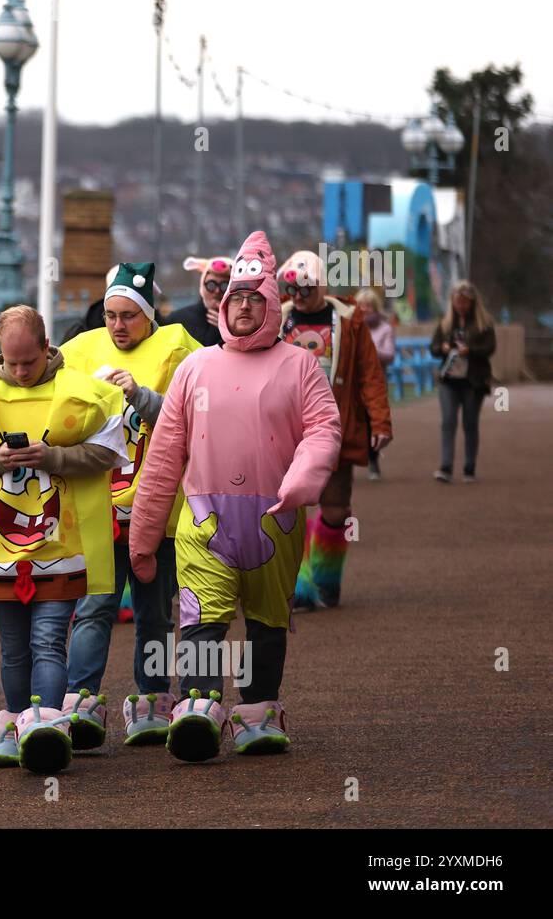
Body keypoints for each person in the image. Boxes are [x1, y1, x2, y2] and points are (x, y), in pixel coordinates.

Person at [129, 231, 341, 762]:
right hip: (206, 520)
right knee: (201, 617)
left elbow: (323, 430)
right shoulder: (195, 367)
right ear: (223, 306)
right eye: (235, 299)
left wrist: (300, 482)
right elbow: (163, 459)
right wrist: (144, 536)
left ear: (272, 305)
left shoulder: (301, 366)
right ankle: (200, 707)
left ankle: (258, 710)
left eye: (254, 298)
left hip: (277, 520)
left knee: (268, 620)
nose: (244, 307)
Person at [0, 306, 125, 775]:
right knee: (13, 645)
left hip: (63, 545)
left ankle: (45, 725)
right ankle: (17, 724)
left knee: (47, 640)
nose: (20, 372)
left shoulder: (84, 393)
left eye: (29, 361)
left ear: (46, 347)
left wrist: (54, 456)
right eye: (12, 362)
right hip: (0, 550)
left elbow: (109, 452)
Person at [58, 262, 201, 749]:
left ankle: (153, 700)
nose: (117, 325)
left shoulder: (180, 350)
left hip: (155, 509)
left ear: (149, 315)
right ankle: (81, 701)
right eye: (111, 315)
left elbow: (193, 417)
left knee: (155, 613)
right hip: (97, 507)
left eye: (128, 316)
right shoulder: (78, 352)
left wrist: (140, 395)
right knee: (95, 606)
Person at [277, 250, 392, 611]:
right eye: (291, 288)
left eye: (305, 288)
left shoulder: (349, 319)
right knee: (285, 510)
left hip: (334, 427)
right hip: (284, 430)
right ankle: (295, 587)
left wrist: (380, 421)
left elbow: (369, 374)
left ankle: (326, 581)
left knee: (336, 509)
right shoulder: (274, 317)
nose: (297, 295)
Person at [430, 281, 496, 484]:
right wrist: (441, 348)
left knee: (470, 423)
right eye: (458, 302)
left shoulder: (484, 323)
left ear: (473, 302)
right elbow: (432, 347)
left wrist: (471, 351)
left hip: (473, 381)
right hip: (449, 380)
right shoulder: (445, 322)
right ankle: (446, 466)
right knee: (448, 421)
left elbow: (490, 348)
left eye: (465, 302)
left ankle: (469, 467)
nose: (461, 306)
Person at [355, 289, 396, 480]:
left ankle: (373, 461)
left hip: (375, 383)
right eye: (360, 305)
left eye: (368, 305)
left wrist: (370, 350)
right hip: (352, 384)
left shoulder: (385, 329)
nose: (363, 309)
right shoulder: (349, 327)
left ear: (375, 307)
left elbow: (390, 355)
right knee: (351, 422)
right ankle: (348, 463)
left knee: (373, 423)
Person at [166, 255, 234, 348]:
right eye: (211, 285)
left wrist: (230, 331)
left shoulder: (240, 322)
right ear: (202, 286)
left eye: (224, 286)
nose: (217, 291)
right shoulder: (177, 320)